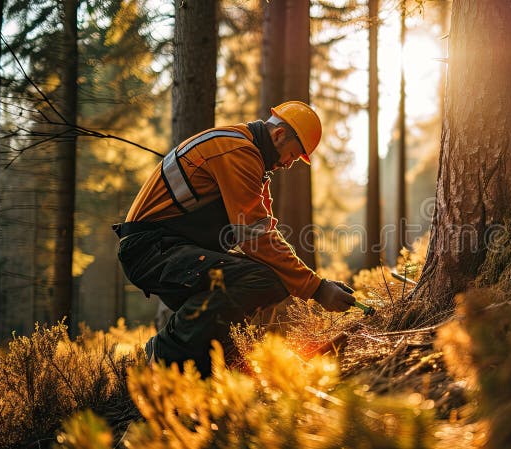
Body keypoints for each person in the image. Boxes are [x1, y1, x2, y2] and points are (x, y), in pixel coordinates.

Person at [113, 101, 356, 376]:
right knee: (261, 279)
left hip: (172, 247)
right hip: (150, 249)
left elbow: (265, 235)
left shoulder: (248, 156)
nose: (289, 165)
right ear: (278, 136)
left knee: (263, 284)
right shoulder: (239, 152)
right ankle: (162, 352)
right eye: (293, 155)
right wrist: (318, 289)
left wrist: (316, 284)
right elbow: (256, 238)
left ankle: (241, 369)